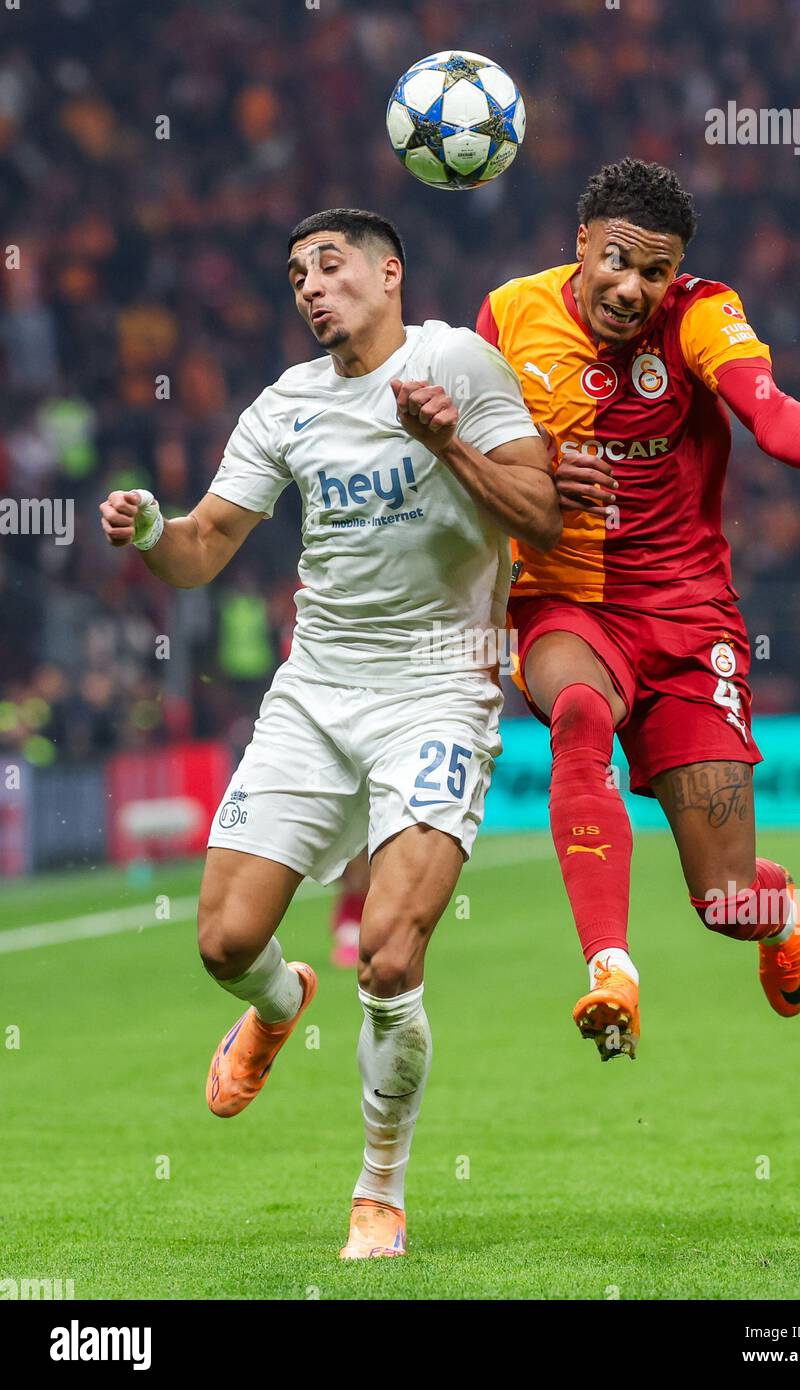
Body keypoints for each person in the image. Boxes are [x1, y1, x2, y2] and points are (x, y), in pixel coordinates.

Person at [100, 207, 560, 1256]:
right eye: (297, 273)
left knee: (392, 961)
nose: (311, 285)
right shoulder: (286, 404)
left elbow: (542, 516)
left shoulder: (461, 362)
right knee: (223, 941)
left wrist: (444, 440)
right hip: (316, 693)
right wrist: (151, 534)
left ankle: (379, 1188)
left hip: (441, 689)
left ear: (390, 272)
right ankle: (276, 1002)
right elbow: (204, 548)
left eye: (332, 265)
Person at [476, 159, 800, 1062]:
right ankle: (610, 969)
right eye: (617, 261)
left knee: (724, 902)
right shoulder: (508, 314)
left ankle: (779, 919)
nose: (631, 288)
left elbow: (764, 409)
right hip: (564, 599)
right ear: (580, 243)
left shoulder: (701, 312)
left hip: (689, 616)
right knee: (578, 714)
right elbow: (475, 453)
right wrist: (539, 467)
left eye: (653, 271)